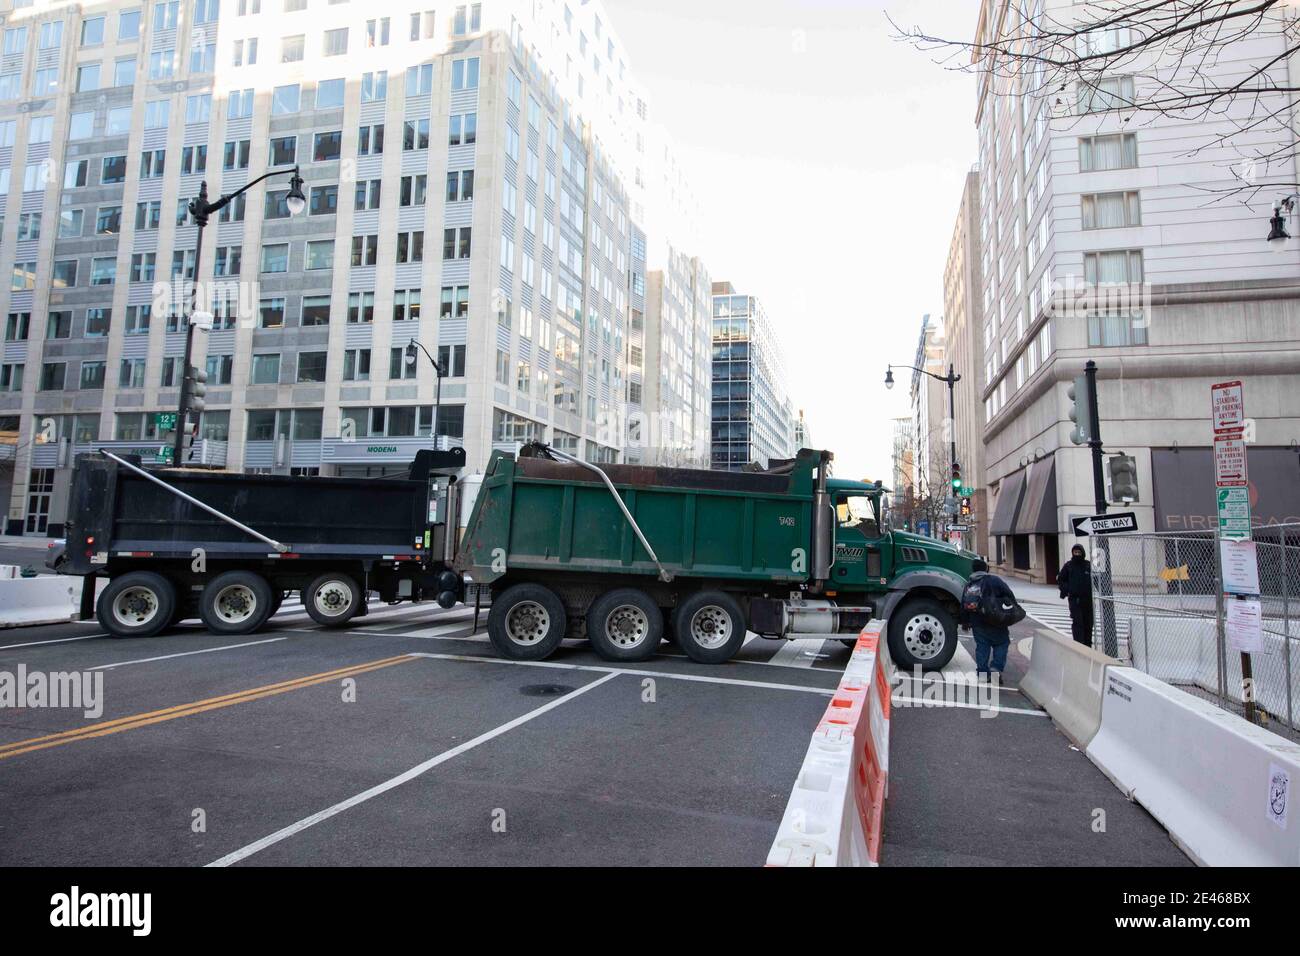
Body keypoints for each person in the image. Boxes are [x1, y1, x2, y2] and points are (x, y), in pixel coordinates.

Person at [959, 559, 1023, 680]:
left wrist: (965, 622)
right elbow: (1009, 594)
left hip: (977, 621)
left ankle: (983, 673)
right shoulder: (994, 580)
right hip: (996, 620)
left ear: (973, 570)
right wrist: (1011, 608)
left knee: (982, 646)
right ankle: (995, 669)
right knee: (1002, 643)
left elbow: (963, 604)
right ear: (986, 569)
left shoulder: (970, 584)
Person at [1057, 544, 1094, 647]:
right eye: (1075, 552)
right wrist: (1068, 589)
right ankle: (1079, 645)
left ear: (1083, 553)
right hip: (1075, 600)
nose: (1077, 554)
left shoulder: (1088, 565)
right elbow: (1061, 579)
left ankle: (1087, 644)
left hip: (1087, 600)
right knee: (1078, 623)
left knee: (1088, 623)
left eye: (1079, 552)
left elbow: (1096, 580)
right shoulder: (1069, 566)